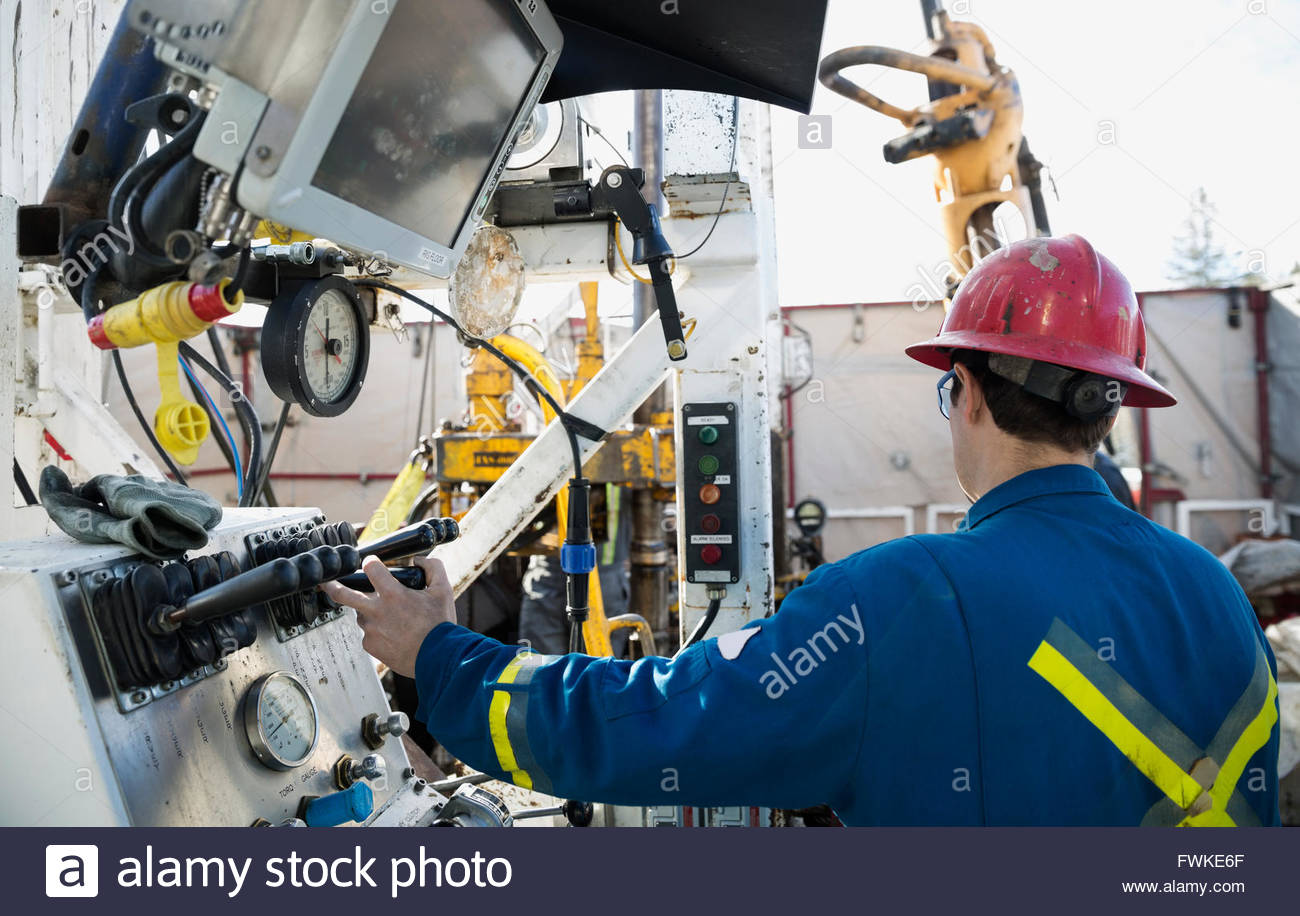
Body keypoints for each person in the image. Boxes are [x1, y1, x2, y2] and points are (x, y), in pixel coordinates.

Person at [323, 235, 1280, 825]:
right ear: (1105, 412)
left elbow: (646, 727)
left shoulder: (904, 599)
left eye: (949, 390)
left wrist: (439, 656)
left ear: (971, 393)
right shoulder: (1219, 599)